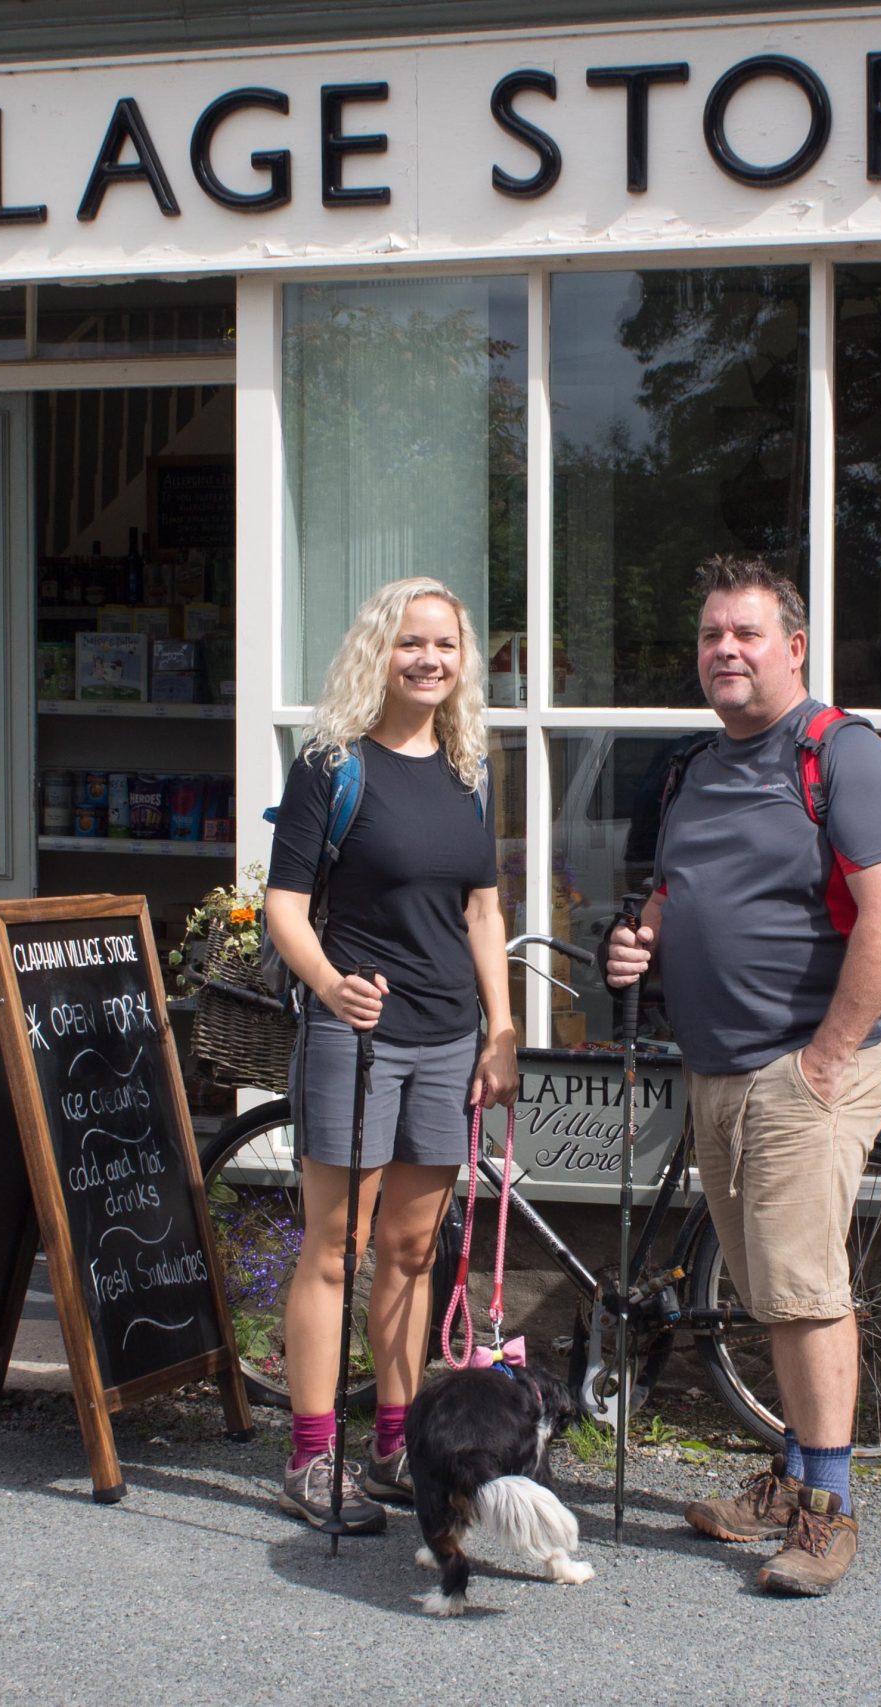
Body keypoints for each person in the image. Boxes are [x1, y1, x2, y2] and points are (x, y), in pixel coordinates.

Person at [604, 556, 881, 1596]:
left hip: (803, 1068)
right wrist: (639, 941)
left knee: (801, 1292)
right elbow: (677, 891)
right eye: (710, 636)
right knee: (765, 1288)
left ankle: (826, 1511)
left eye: (745, 634)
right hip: (719, 1071)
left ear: (793, 648)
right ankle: (791, 1478)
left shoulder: (845, 756)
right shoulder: (697, 766)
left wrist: (827, 1057)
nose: (725, 651)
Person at [264, 576, 519, 1533]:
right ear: (381, 649)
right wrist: (330, 983)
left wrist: (501, 1028)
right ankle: (312, 1453)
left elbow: (483, 910)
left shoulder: (468, 768)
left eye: (446, 646)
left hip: (450, 1037)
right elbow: (285, 904)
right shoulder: (332, 767)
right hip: (357, 1038)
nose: (429, 660)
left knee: (414, 1252)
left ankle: (396, 1446)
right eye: (412, 643)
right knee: (337, 1248)